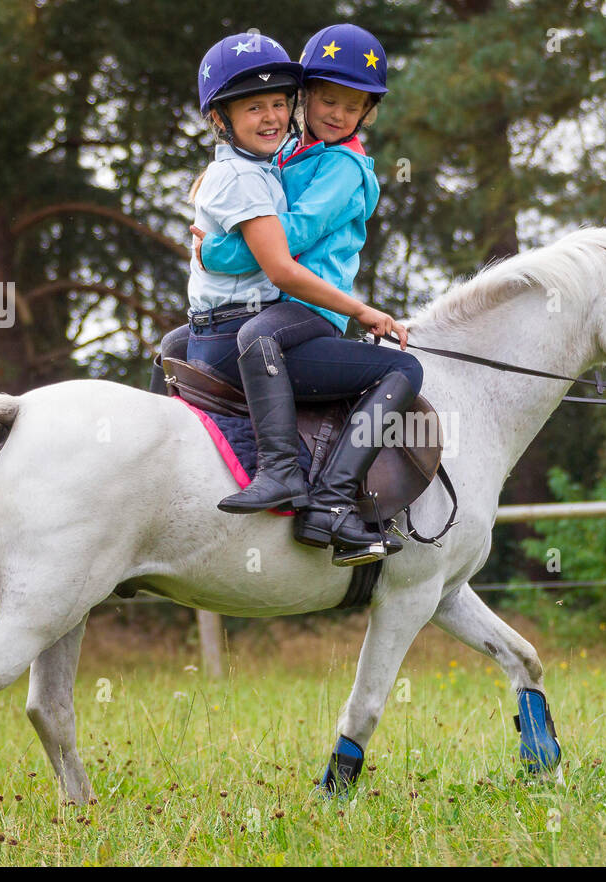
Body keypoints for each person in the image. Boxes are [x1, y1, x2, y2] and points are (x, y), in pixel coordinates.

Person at [155, 30, 422, 566]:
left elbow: (289, 235)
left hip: (310, 310)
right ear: (308, 98)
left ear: (368, 111)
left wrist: (216, 254)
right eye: (327, 100)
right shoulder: (292, 154)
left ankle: (331, 499)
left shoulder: (343, 166)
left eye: (353, 106)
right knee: (177, 342)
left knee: (406, 370)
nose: (338, 114)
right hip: (275, 307)